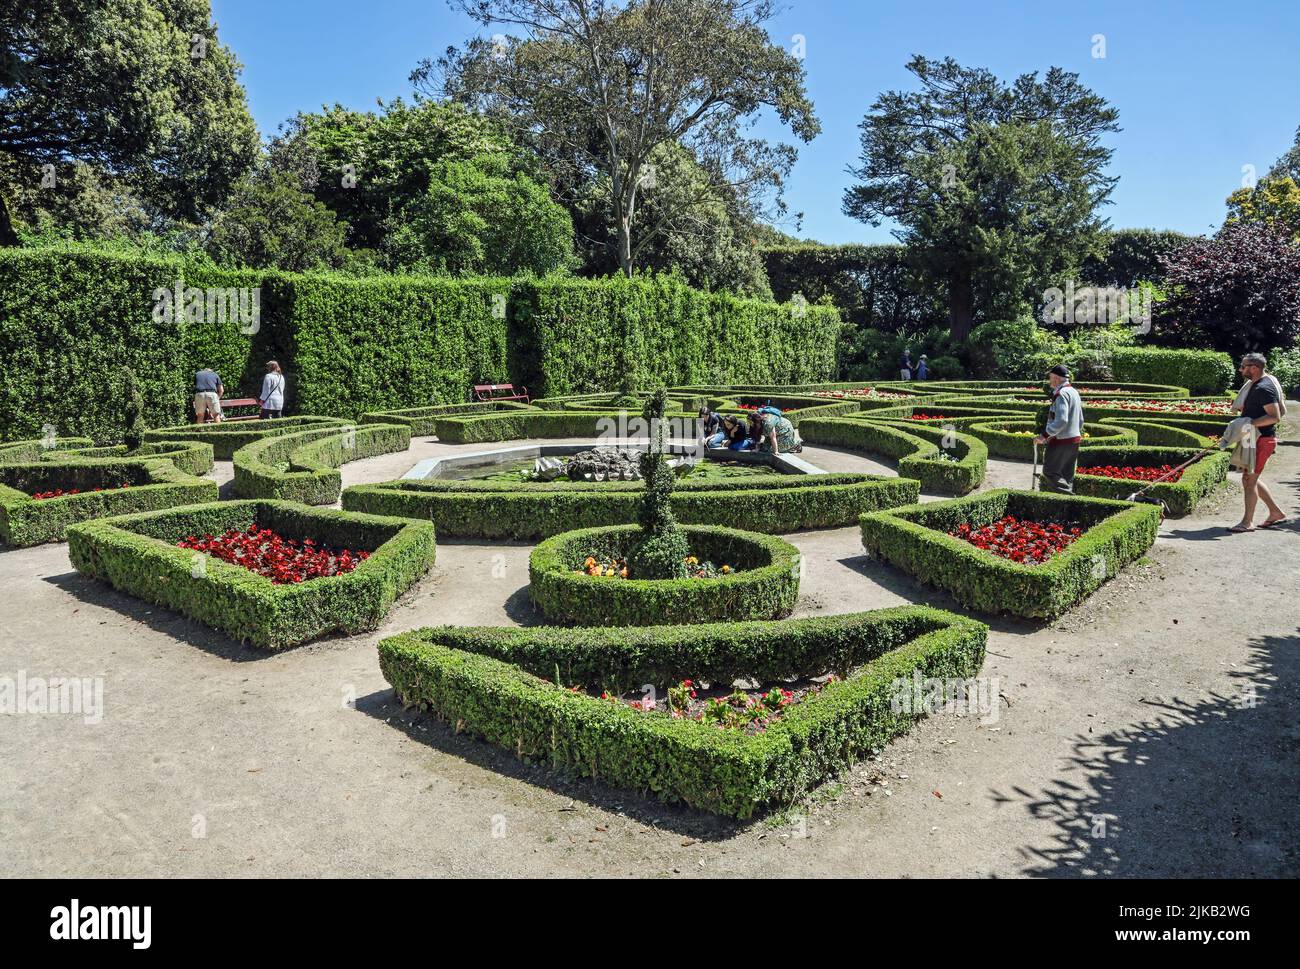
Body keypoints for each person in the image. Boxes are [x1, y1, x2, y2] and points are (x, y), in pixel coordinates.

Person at [1229, 352, 1287, 533]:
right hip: (1252, 437)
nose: (1240, 369)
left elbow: (1274, 417)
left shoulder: (1264, 388)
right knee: (1249, 477)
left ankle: (1247, 522)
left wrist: (1248, 423)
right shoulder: (1254, 385)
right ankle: (1276, 512)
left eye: (1244, 366)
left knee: (1249, 479)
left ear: (1254, 368)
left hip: (1262, 439)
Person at [1034, 364, 1084, 493]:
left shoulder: (1061, 394)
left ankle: (1071, 498)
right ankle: (1068, 508)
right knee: (1067, 476)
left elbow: (1061, 420)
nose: (1049, 380)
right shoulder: (1074, 392)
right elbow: (1081, 419)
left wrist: (1044, 435)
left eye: (1050, 377)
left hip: (1061, 440)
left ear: (1056, 378)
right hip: (1074, 439)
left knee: (1049, 471)